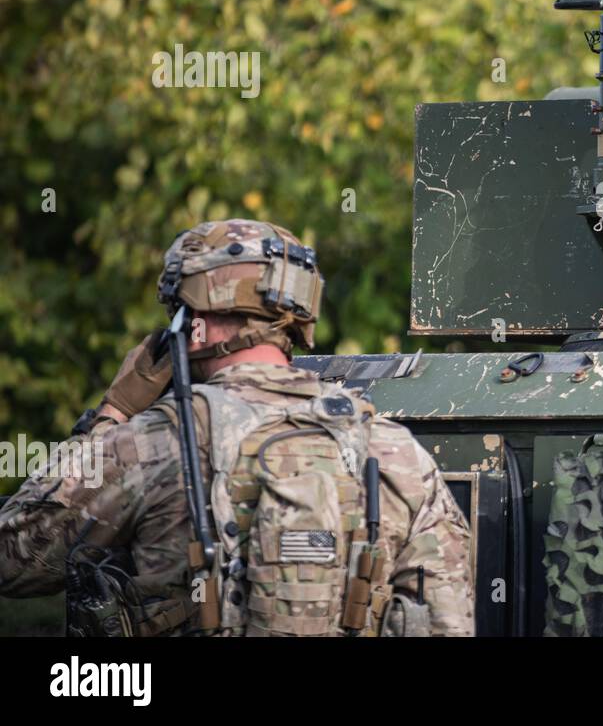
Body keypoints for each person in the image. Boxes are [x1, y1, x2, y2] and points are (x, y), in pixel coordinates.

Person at [0, 218, 474, 636]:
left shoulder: (151, 443)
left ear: (195, 324)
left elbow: (14, 558)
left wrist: (113, 412)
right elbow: (448, 621)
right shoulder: (396, 453)